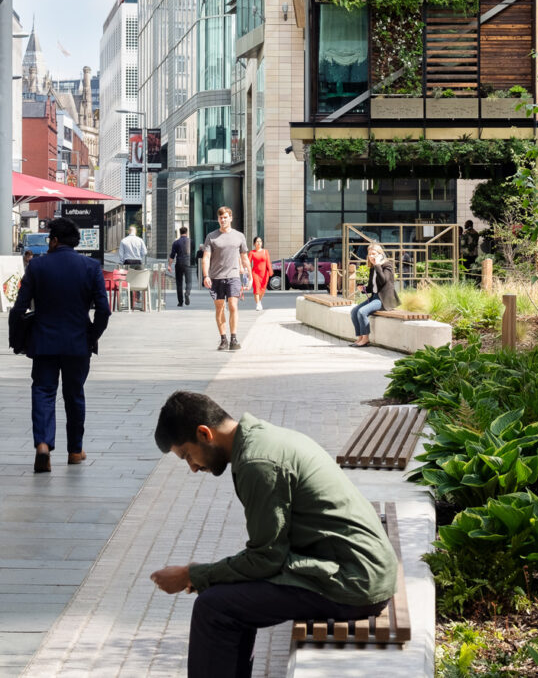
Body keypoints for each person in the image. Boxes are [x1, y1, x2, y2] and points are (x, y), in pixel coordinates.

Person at [150, 391, 397, 678]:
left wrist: (191, 575)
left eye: (187, 456)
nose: (192, 468)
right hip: (359, 568)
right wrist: (204, 574)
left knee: (213, 608)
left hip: (354, 582)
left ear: (205, 434)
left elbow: (265, 559)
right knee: (227, 598)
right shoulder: (261, 437)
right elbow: (267, 555)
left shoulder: (257, 463)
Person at [8, 217, 111, 474]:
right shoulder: (90, 266)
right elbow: (104, 309)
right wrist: (92, 335)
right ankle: (75, 451)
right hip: (78, 343)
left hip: (44, 341)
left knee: (43, 392)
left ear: (54, 240)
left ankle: (43, 445)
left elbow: (20, 307)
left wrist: (17, 338)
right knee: (74, 394)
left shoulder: (38, 266)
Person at [201, 207, 251, 352]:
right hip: (216, 277)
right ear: (218, 219)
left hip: (234, 276)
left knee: (233, 306)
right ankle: (223, 339)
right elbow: (206, 258)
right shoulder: (211, 236)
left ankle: (234, 338)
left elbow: (244, 258)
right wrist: (206, 275)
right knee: (220, 307)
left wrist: (249, 276)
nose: (223, 220)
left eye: (225, 217)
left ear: (231, 218)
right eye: (220, 218)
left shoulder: (239, 236)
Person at [350, 242, 398, 348]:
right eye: (370, 254)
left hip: (383, 300)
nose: (371, 256)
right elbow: (372, 287)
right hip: (374, 297)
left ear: (380, 254)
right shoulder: (373, 268)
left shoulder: (387, 265)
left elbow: (383, 281)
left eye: (373, 253)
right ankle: (360, 337)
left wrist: (377, 265)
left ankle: (366, 339)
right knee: (354, 311)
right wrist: (363, 289)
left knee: (362, 312)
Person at [169, 225, 194, 307]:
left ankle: (180, 302)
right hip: (188, 263)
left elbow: (172, 256)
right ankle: (187, 293)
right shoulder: (191, 241)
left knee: (179, 283)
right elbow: (192, 252)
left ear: (180, 233)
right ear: (186, 232)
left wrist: (169, 266)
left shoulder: (176, 243)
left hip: (179, 263)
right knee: (189, 281)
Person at [249, 235, 272, 313]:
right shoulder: (252, 252)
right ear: (254, 243)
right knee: (257, 288)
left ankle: (259, 302)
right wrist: (246, 270)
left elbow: (268, 262)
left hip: (264, 273)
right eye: (257, 242)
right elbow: (248, 262)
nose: (259, 243)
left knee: (262, 289)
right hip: (255, 273)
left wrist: (270, 271)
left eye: (260, 241)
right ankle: (258, 304)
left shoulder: (265, 251)